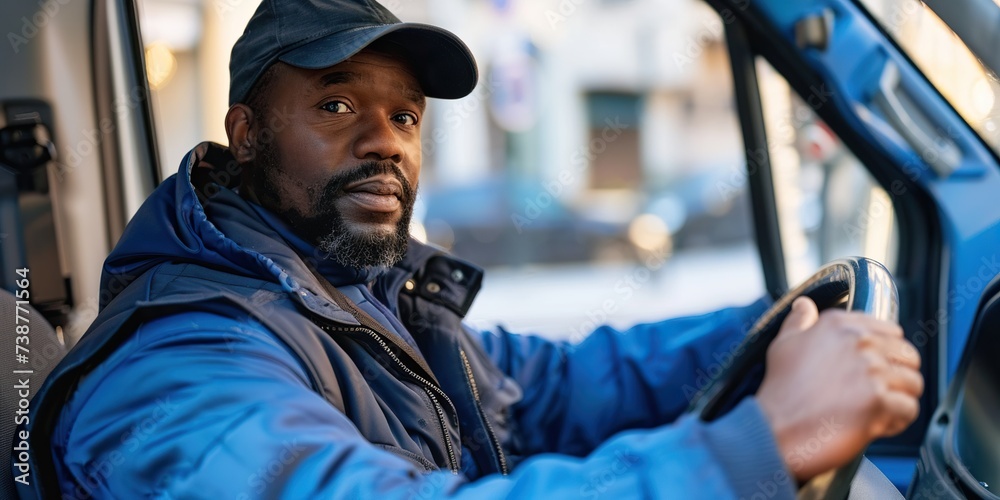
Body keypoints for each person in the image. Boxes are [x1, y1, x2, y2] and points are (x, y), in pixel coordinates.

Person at [20, 0, 923, 497]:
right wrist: (758, 446)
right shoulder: (178, 368)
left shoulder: (370, 303)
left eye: (404, 116)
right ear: (245, 134)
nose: (386, 142)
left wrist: (780, 328)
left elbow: (561, 391)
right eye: (338, 106)